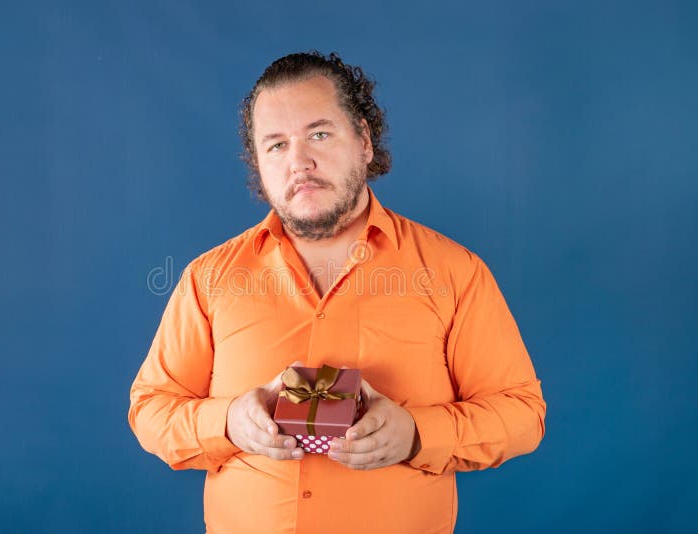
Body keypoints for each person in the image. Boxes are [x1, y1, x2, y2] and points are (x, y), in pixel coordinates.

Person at [129, 51, 546, 534]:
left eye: (319, 134)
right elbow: (151, 408)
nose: (299, 162)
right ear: (258, 163)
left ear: (364, 141)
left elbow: (521, 414)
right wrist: (226, 422)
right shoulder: (209, 278)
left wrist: (417, 433)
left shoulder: (456, 272)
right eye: (277, 145)